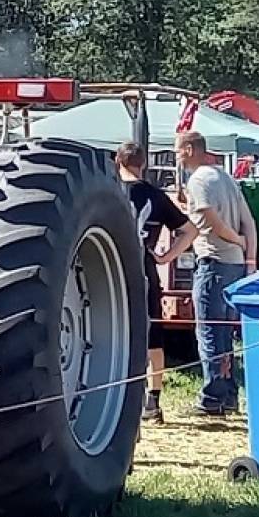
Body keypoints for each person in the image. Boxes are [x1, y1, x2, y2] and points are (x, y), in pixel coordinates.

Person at [175, 129, 257, 424]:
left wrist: (235, 239)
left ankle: (212, 397)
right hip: (234, 265)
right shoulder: (226, 178)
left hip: (213, 261)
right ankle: (230, 394)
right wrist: (248, 257)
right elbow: (248, 221)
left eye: (177, 150)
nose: (177, 157)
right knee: (225, 334)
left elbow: (211, 221)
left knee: (208, 332)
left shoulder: (197, 180)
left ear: (188, 149)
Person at [115, 142, 195, 425]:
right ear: (143, 163)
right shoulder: (156, 196)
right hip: (145, 267)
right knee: (152, 335)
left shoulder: (110, 192)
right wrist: (166, 256)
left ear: (117, 161)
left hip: (112, 267)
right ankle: (153, 399)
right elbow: (189, 230)